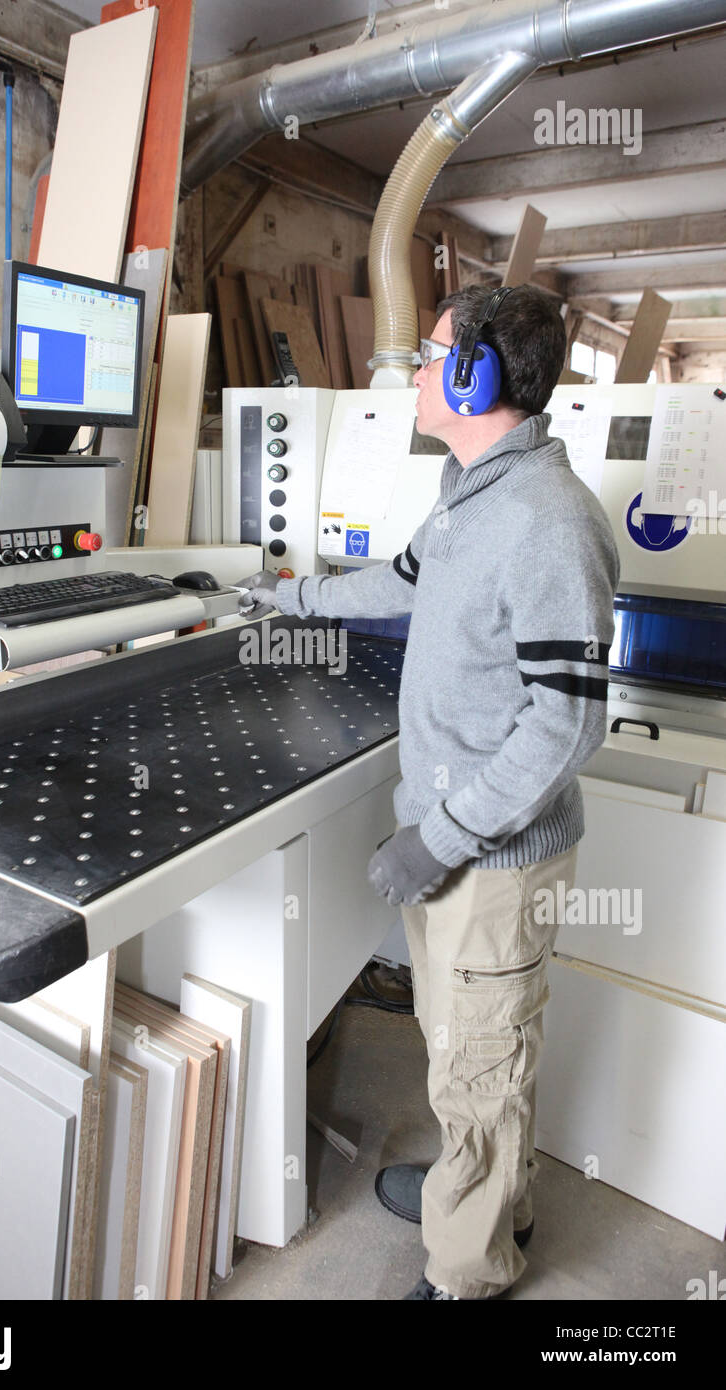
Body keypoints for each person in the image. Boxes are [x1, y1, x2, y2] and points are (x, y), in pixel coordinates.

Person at [237, 284, 620, 1301]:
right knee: (471, 1053)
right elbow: (400, 582)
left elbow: (564, 720)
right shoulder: (470, 491)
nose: (409, 372)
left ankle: (467, 1273)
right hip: (457, 842)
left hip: (491, 856)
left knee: (479, 1065)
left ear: (474, 375)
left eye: (429, 354)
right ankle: (490, 1194)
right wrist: (290, 598)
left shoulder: (545, 521)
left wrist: (440, 834)